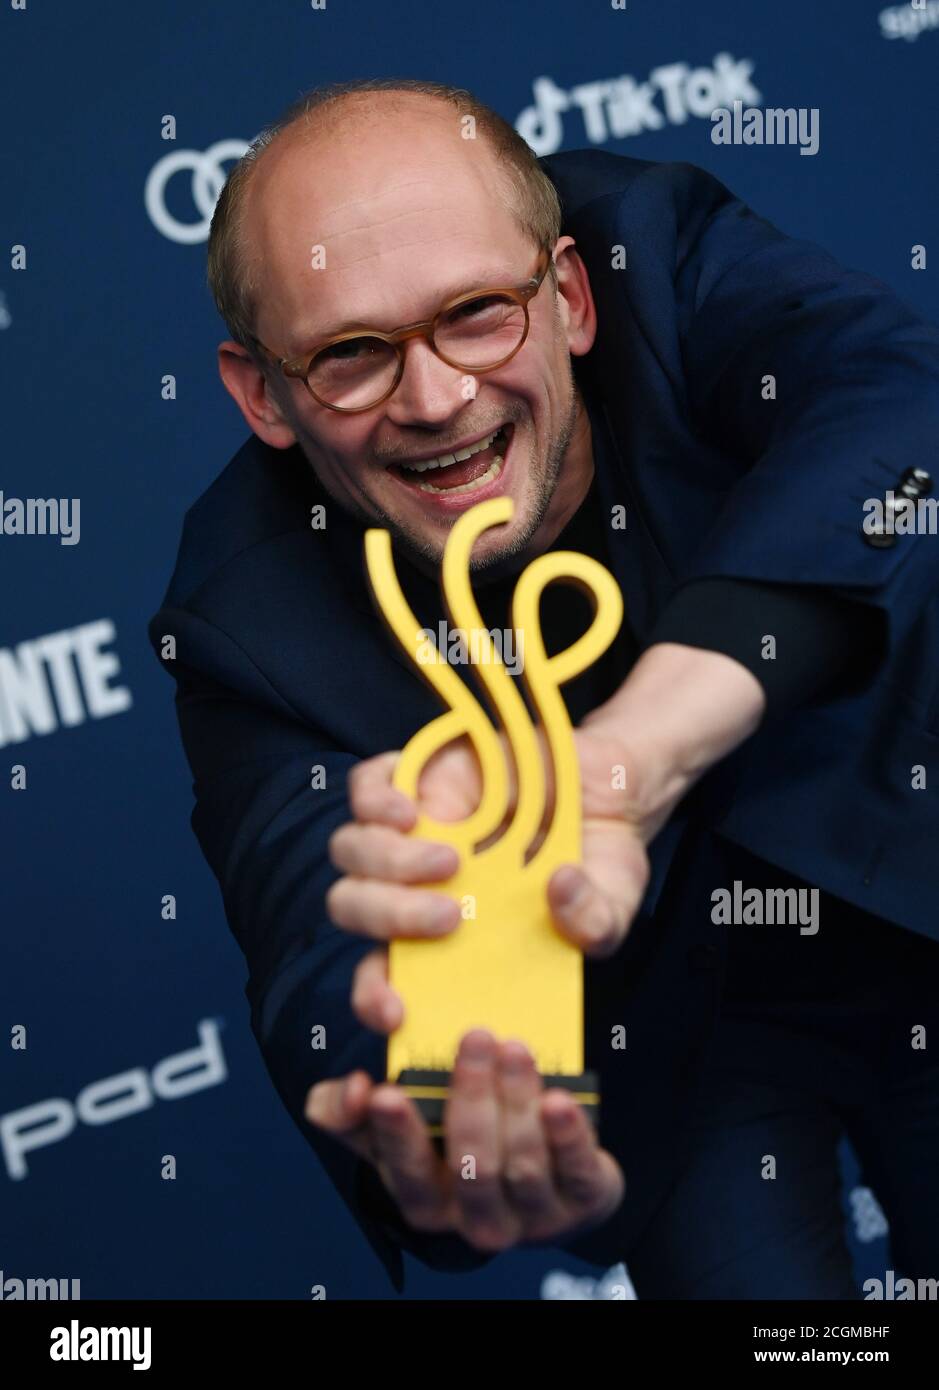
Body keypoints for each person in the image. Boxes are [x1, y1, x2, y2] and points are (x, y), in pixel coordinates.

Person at [150, 77, 939, 1297]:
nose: (436, 400)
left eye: (476, 315)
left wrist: (628, 759)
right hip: (672, 1037)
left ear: (568, 295)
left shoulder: (658, 255)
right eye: (350, 354)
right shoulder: (244, 617)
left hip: (901, 861)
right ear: (263, 394)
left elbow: (902, 417)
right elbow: (319, 940)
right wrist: (439, 1124)